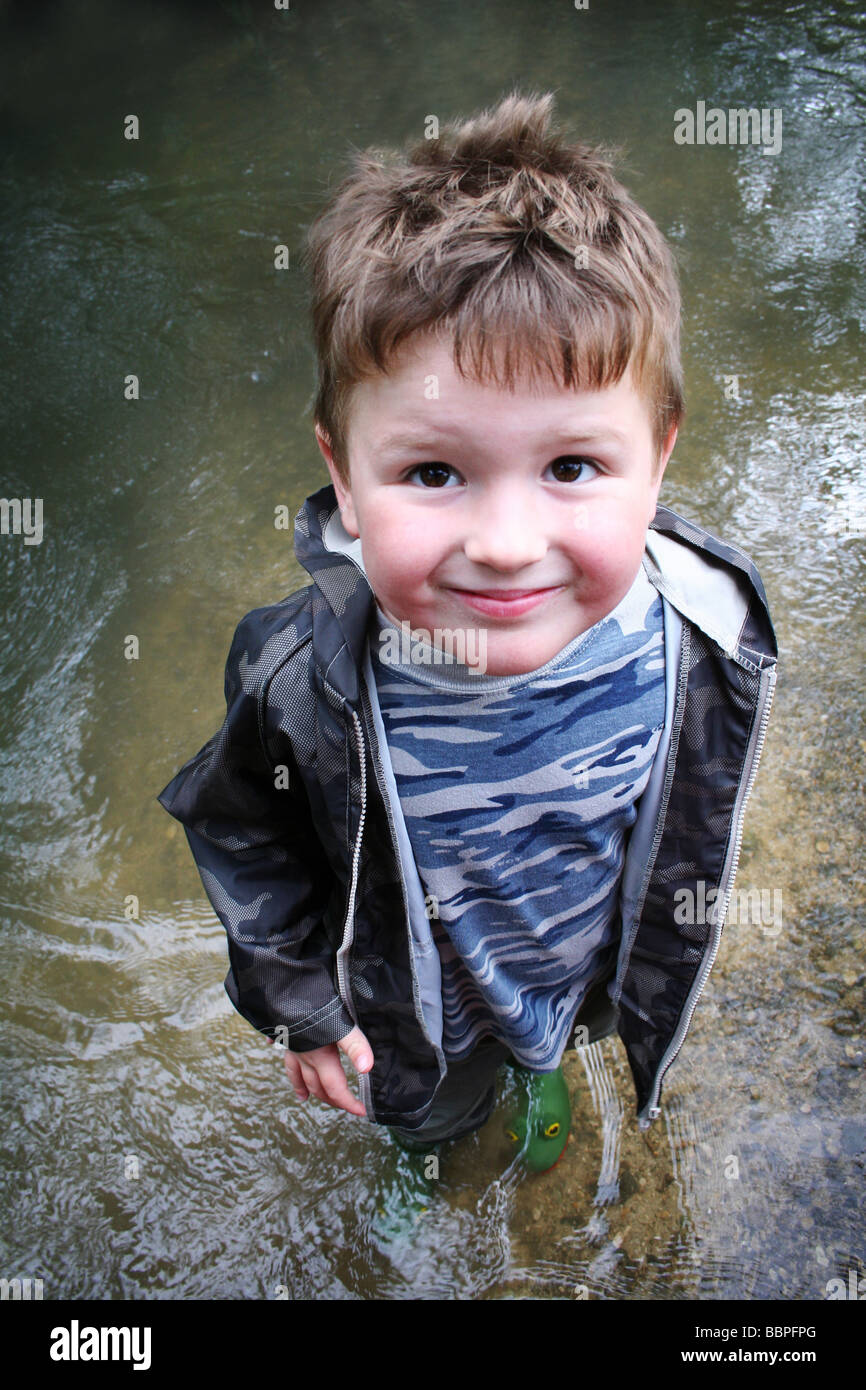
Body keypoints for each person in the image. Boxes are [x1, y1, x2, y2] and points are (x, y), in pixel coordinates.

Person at [157, 90, 777, 1171]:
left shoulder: (697, 636)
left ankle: (541, 1069)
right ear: (343, 477)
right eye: (433, 472)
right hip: (417, 1013)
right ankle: (428, 1151)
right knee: (431, 1122)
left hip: (581, 969)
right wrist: (300, 1007)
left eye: (570, 467)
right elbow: (245, 834)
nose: (502, 541)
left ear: (659, 454)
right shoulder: (305, 679)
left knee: (552, 1051)